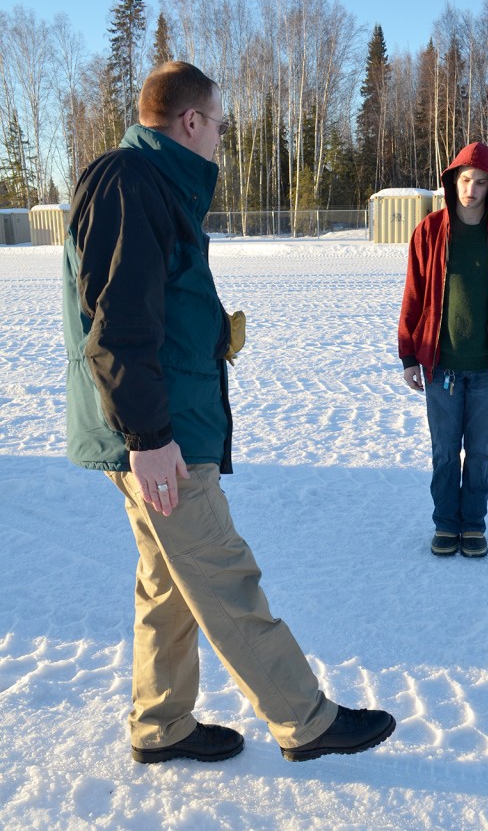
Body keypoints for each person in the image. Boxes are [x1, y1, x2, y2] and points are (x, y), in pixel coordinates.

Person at [63, 61, 395, 764]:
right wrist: (150, 437)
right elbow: (116, 322)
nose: (219, 135)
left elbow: (155, 301)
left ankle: (162, 724)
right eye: (218, 122)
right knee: (222, 573)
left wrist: (213, 333)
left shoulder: (150, 184)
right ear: (191, 121)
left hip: (160, 424)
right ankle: (304, 719)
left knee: (168, 587)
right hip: (161, 436)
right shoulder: (134, 181)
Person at [398, 141, 488, 558]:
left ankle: (473, 525)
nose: (470, 189)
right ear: (452, 182)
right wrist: (408, 355)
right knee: (443, 454)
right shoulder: (429, 231)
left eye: (479, 181)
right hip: (441, 366)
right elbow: (414, 296)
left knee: (479, 454)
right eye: (464, 179)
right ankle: (445, 524)